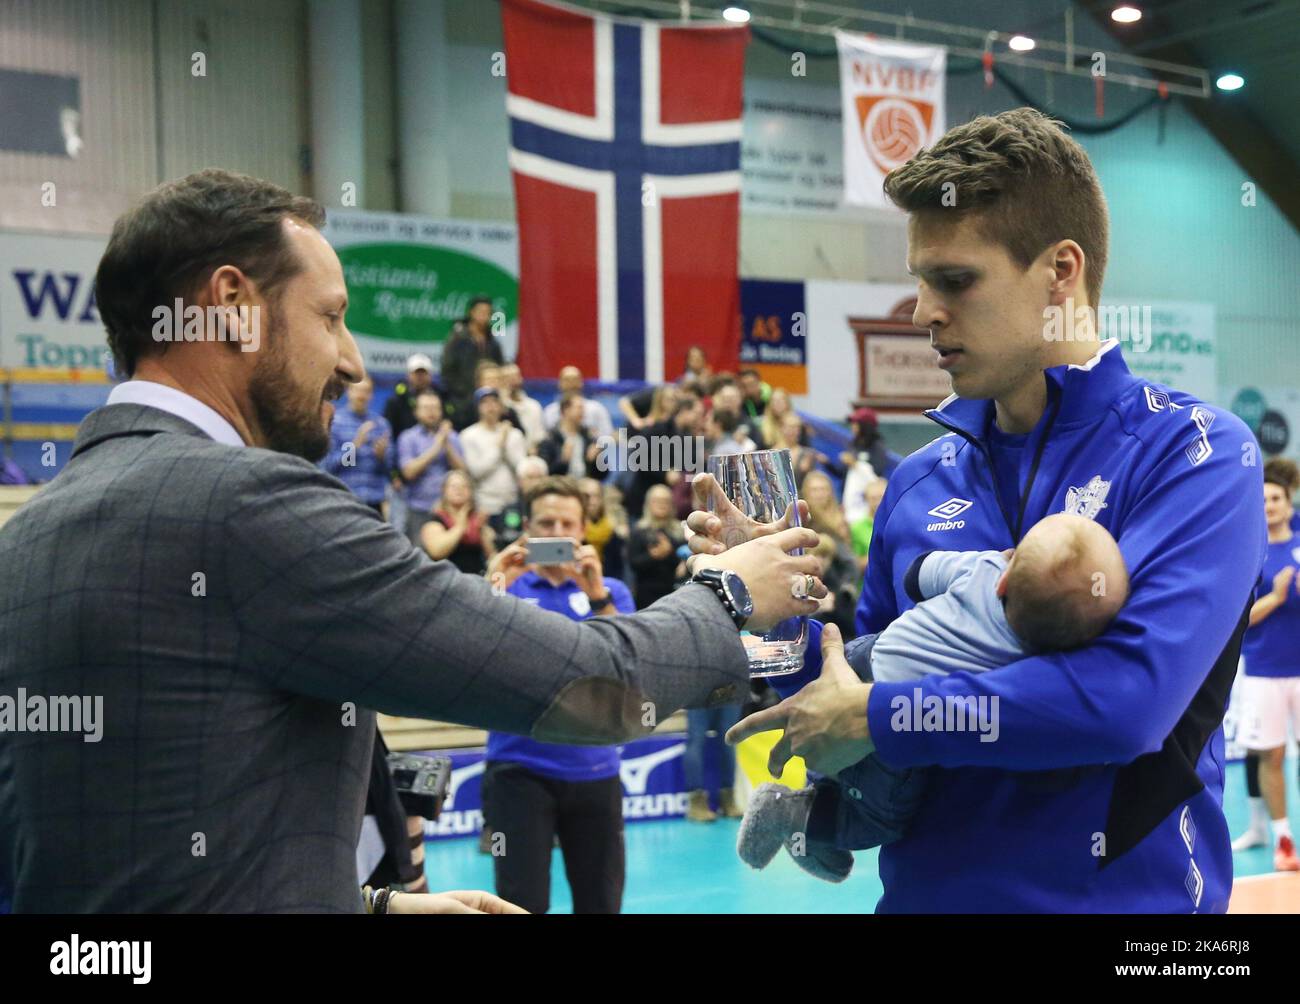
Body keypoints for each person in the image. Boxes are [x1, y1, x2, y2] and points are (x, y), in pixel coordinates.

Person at [0, 168, 825, 913]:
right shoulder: (252, 506)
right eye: (330, 319)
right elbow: (592, 686)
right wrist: (728, 589)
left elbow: (121, 849)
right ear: (232, 305)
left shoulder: (28, 537)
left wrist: (370, 909)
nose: (354, 364)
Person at [692, 108, 1267, 913]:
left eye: (955, 281)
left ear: (1061, 272)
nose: (924, 310)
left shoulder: (1196, 454)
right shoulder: (919, 482)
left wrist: (885, 715)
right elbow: (855, 689)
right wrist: (772, 614)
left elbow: (1124, 705)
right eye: (921, 281)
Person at [739, 514, 1129, 880]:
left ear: (1006, 578)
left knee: (844, 761)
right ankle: (791, 815)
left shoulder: (984, 569)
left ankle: (812, 813)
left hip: (867, 653)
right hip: (893, 703)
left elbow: (916, 575)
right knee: (880, 818)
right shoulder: (1029, 665)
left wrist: (987, 565)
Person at [480, 476, 633, 914]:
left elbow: (628, 668)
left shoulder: (611, 592)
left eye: (567, 522)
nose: (556, 533)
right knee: (518, 905)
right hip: (517, 771)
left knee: (601, 904)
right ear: (527, 527)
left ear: (583, 529)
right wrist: (491, 589)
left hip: (595, 772)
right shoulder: (503, 586)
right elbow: (469, 656)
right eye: (545, 523)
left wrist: (597, 595)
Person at [1230, 465, 1300, 869]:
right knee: (1269, 756)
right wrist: (1275, 598)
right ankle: (1283, 840)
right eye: (1264, 501)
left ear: (1289, 505)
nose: (1271, 506)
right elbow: (1240, 617)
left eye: (1277, 499)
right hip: (1262, 671)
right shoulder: (1250, 552)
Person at [396, 389, 464, 547]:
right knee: (419, 558)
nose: (431, 412)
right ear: (416, 412)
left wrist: (446, 444)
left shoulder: (452, 437)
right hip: (419, 508)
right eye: (426, 408)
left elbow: (462, 472)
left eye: (435, 408)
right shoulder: (408, 437)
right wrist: (436, 446)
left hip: (449, 510)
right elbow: (408, 472)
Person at [321, 376, 391, 514]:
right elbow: (329, 466)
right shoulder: (335, 422)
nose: (362, 395)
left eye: (366, 391)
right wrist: (354, 447)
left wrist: (381, 457)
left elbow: (389, 471)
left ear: (372, 395)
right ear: (349, 392)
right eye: (358, 390)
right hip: (344, 498)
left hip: (374, 501)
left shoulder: (381, 424)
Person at [459, 386, 528, 517]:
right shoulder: (468, 435)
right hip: (484, 503)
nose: (490, 406)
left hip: (512, 501)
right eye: (485, 402)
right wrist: (500, 445)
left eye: (494, 401)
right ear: (478, 407)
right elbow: (476, 471)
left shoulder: (514, 434)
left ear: (501, 406)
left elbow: (521, 469)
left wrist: (506, 443)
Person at [441, 296, 505, 430]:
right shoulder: (457, 340)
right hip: (462, 402)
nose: (484, 315)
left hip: (489, 400)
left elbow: (500, 368)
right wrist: (463, 396)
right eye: (481, 311)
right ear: (471, 312)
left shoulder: (493, 342)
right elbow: (447, 371)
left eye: (488, 313)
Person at [419, 469, 495, 575]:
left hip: (477, 577)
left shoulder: (477, 519)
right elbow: (437, 552)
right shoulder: (435, 520)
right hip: (446, 578)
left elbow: (492, 556)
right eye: (453, 486)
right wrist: (461, 525)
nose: (459, 490)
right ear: (444, 491)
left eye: (464, 486)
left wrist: (482, 530)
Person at [836, 407, 902, 525]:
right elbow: (843, 474)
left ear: (864, 426)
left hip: (868, 503)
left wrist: (856, 464)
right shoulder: (853, 444)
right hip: (850, 501)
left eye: (856, 423)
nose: (853, 426)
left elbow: (877, 472)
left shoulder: (878, 446)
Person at [628, 484, 686, 610]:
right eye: (657, 501)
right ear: (648, 503)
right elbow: (633, 563)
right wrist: (654, 556)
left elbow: (682, 562)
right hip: (646, 595)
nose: (662, 504)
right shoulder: (639, 530)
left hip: (674, 592)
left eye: (666, 501)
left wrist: (669, 552)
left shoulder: (679, 531)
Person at [540, 392, 604, 480]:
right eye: (579, 408)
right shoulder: (550, 439)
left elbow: (602, 475)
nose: (583, 412)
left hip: (584, 485)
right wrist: (563, 461)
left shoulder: (589, 437)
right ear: (566, 410)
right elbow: (545, 473)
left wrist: (597, 460)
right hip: (560, 485)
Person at [490, 455, 548, 552]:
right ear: (520, 481)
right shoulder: (512, 510)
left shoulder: (556, 508)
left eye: (539, 477)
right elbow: (508, 537)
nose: (536, 482)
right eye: (530, 477)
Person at [543, 366, 614, 439]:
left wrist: (595, 447)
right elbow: (545, 438)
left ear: (581, 383)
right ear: (560, 383)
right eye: (566, 380)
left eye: (575, 379)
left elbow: (608, 437)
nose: (571, 384)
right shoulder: (550, 411)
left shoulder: (596, 408)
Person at [579, 477, 625, 583]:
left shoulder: (612, 527)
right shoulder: (570, 528)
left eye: (596, 496)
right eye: (587, 496)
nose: (592, 501)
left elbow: (618, 566)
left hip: (607, 582)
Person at [383, 353, 434, 443]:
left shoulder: (439, 398)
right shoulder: (396, 401)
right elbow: (388, 431)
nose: (420, 377)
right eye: (417, 373)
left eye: (423, 373)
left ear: (430, 375)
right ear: (408, 375)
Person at [499, 362, 546, 450]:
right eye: (507, 378)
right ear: (501, 381)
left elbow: (539, 436)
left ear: (521, 378)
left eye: (515, 377)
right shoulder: (499, 409)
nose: (512, 381)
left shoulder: (534, 406)